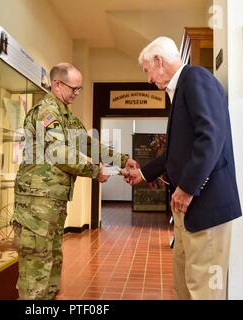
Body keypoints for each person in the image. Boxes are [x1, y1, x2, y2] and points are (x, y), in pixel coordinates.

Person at [125, 36, 242, 299]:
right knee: (186, 284)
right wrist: (143, 173)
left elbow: (210, 136)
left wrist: (187, 188)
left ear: (158, 61)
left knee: (203, 290)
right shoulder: (181, 90)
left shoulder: (196, 78)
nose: (148, 80)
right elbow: (176, 152)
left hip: (204, 205)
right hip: (188, 207)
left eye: (147, 71)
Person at [13, 62, 136, 300]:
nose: (77, 94)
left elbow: (88, 144)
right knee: (36, 272)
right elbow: (59, 151)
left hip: (52, 203)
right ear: (57, 84)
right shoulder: (47, 112)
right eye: (74, 88)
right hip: (36, 206)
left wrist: (123, 160)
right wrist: (93, 170)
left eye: (80, 89)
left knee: (51, 264)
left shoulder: (65, 115)